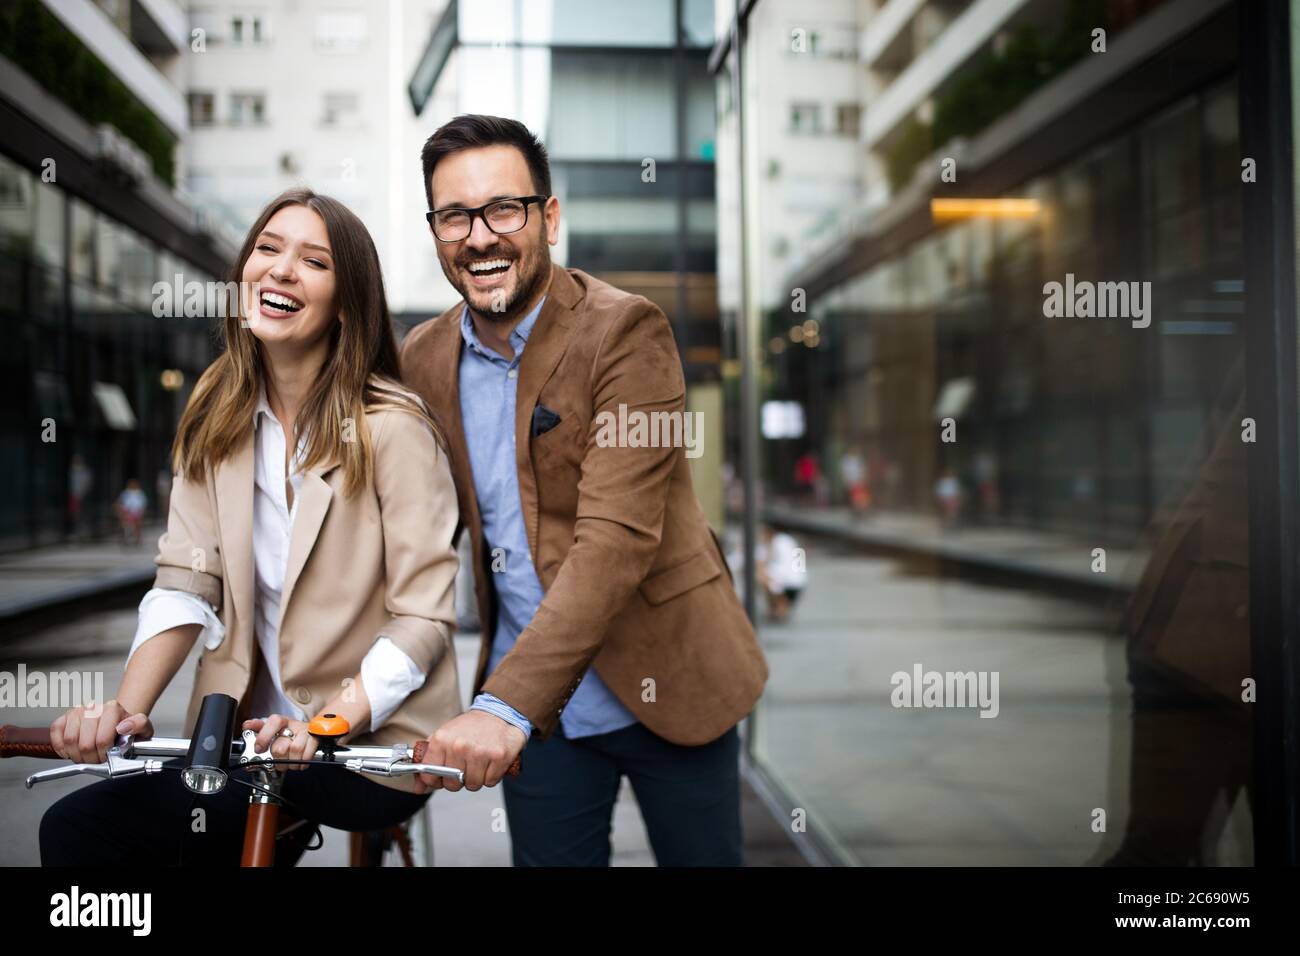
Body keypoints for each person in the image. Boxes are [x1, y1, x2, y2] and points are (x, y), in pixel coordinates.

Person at [40, 189, 462, 867]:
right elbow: (185, 581)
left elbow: (423, 618)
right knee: (75, 829)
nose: (280, 269)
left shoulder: (393, 427)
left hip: (369, 745)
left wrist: (324, 726)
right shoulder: (215, 412)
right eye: (267, 249)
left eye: (313, 260)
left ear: (346, 303)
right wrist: (123, 712)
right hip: (241, 737)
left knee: (218, 821)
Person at [400, 114, 768, 866]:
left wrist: (504, 706)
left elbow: (615, 538)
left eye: (505, 209)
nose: (480, 237)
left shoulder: (627, 332)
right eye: (454, 216)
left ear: (550, 217)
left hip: (670, 675)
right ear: (435, 231)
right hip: (543, 716)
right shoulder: (425, 356)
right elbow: (399, 525)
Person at [755, 525, 807, 622]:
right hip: (800, 580)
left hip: (787, 581)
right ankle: (778, 606)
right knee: (763, 573)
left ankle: (780, 605)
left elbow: (763, 561)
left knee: (760, 574)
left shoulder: (777, 542)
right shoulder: (787, 540)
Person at [114, 478, 147, 546]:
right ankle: (124, 539)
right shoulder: (126, 493)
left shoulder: (139, 493)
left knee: (137, 524)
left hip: (136, 513)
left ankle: (137, 539)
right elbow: (120, 503)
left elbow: (142, 505)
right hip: (127, 512)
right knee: (123, 523)